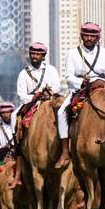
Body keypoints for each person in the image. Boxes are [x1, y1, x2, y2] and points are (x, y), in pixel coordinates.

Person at [64, 21, 105, 147]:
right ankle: (64, 150)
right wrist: (82, 82)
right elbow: (68, 76)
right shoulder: (73, 53)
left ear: (98, 38)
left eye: (92, 36)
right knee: (60, 113)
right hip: (80, 89)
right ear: (81, 36)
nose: (89, 38)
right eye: (86, 35)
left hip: (103, 87)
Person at [14, 41, 64, 178]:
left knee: (65, 114)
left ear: (43, 56)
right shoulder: (23, 74)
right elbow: (21, 94)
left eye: (38, 54)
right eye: (33, 53)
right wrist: (34, 97)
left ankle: (67, 147)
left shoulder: (51, 70)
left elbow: (58, 87)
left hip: (50, 101)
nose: (35, 56)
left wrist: (49, 92)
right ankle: (18, 149)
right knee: (15, 117)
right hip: (32, 104)